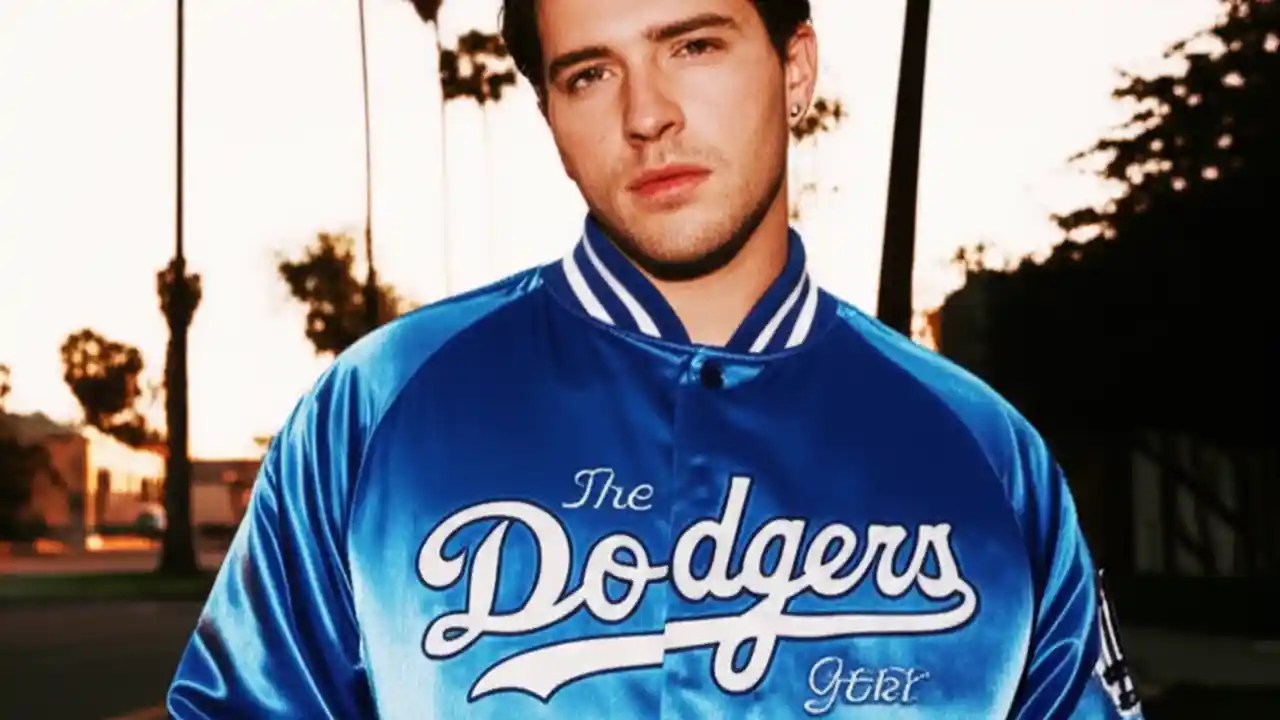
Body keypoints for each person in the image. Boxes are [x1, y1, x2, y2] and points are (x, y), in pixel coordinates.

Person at [166, 0, 1145, 717]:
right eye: (588, 72)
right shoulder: (372, 414)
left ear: (793, 67)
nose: (646, 114)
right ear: (549, 112)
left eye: (694, 45)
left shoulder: (984, 453)